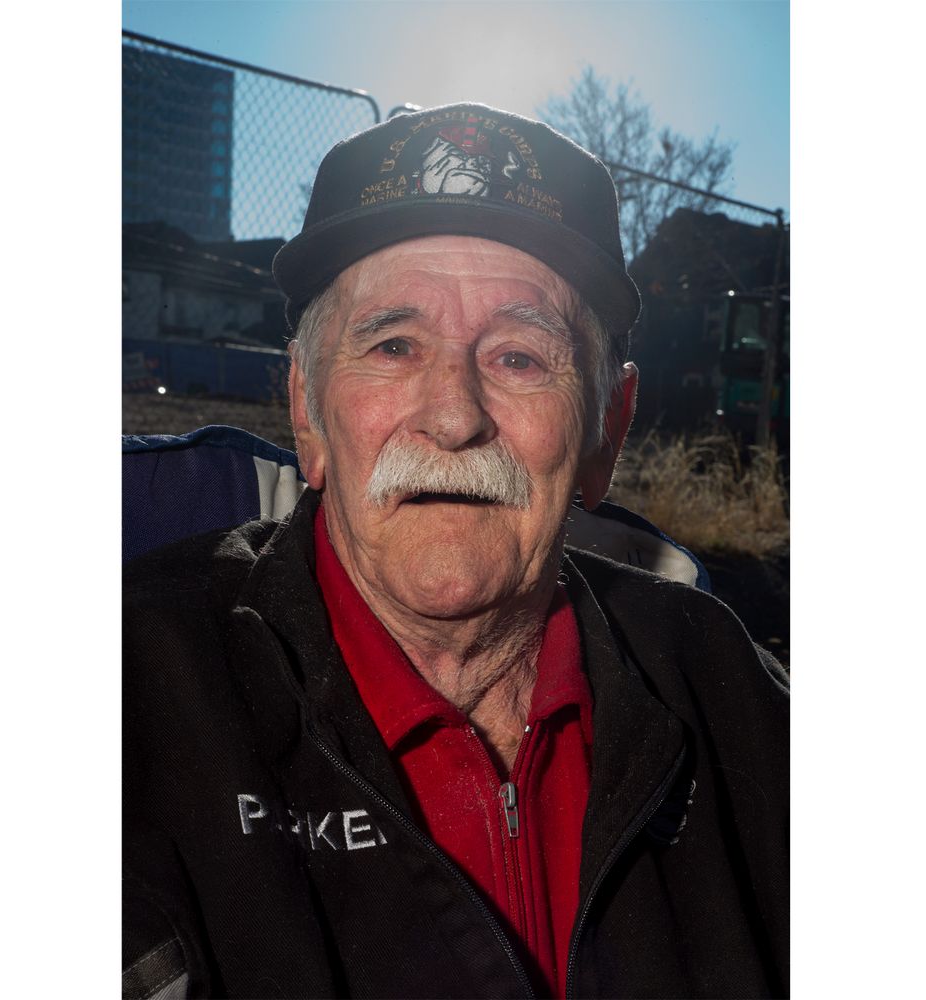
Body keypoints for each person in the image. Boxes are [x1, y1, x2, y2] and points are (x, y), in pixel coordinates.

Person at [123, 103, 788, 1000]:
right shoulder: (125, 695)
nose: (452, 414)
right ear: (306, 415)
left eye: (519, 357)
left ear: (607, 431)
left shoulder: (732, 693)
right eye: (393, 345)